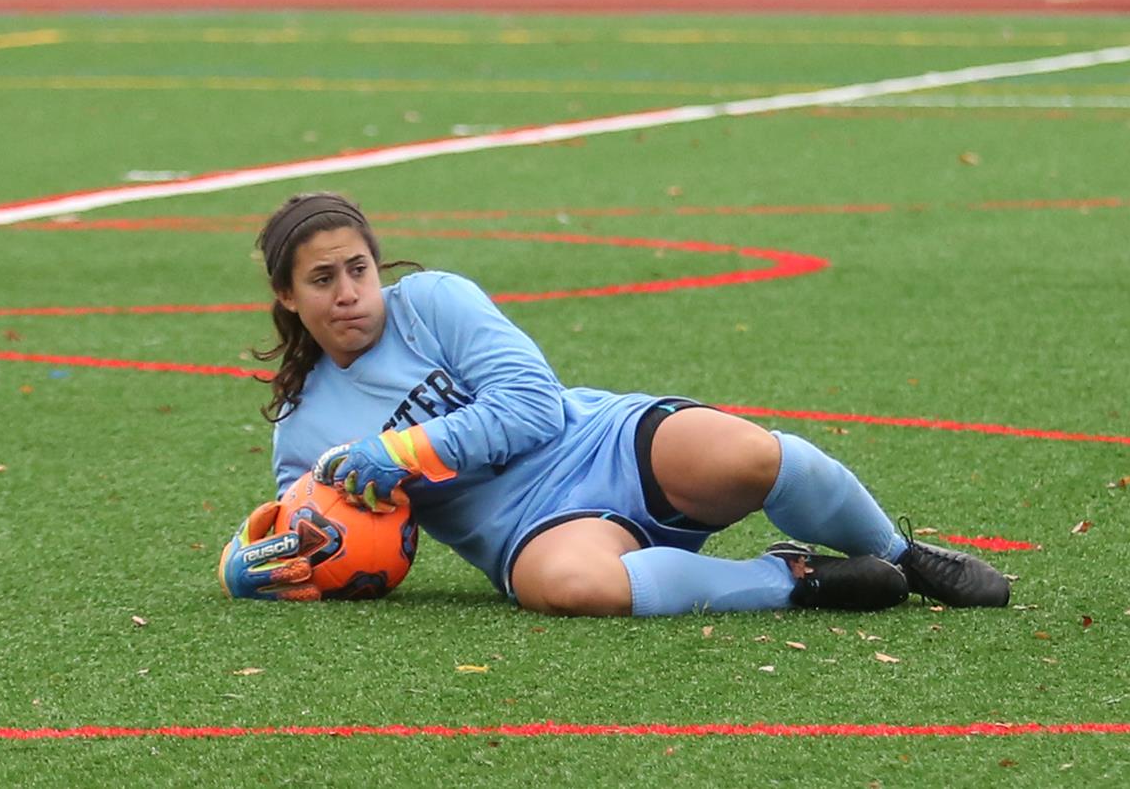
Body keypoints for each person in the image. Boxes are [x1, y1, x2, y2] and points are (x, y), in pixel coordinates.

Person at [220, 191, 1012, 614]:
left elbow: (530, 406)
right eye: (323, 281)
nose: (350, 293)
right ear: (287, 297)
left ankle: (906, 556)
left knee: (752, 455)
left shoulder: (433, 301)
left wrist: (400, 452)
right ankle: (798, 580)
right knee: (575, 590)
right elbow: (296, 523)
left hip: (597, 441)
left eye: (358, 269)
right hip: (528, 532)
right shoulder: (307, 420)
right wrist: (240, 566)